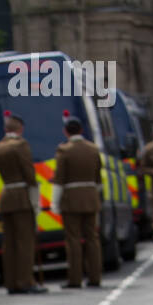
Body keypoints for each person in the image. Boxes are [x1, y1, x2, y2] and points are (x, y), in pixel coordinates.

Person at [0, 109, 46, 295]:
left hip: (6, 196)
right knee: (24, 242)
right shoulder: (20, 145)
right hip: (21, 197)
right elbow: (29, 173)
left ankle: (12, 282)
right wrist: (35, 199)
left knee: (9, 243)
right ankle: (25, 281)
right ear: (20, 128)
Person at [51, 111, 102, 289]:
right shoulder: (93, 149)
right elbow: (98, 177)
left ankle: (75, 279)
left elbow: (59, 179)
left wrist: (54, 203)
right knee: (92, 239)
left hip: (71, 199)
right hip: (90, 197)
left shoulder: (64, 150)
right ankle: (95, 277)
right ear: (81, 130)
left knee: (73, 240)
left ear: (66, 132)